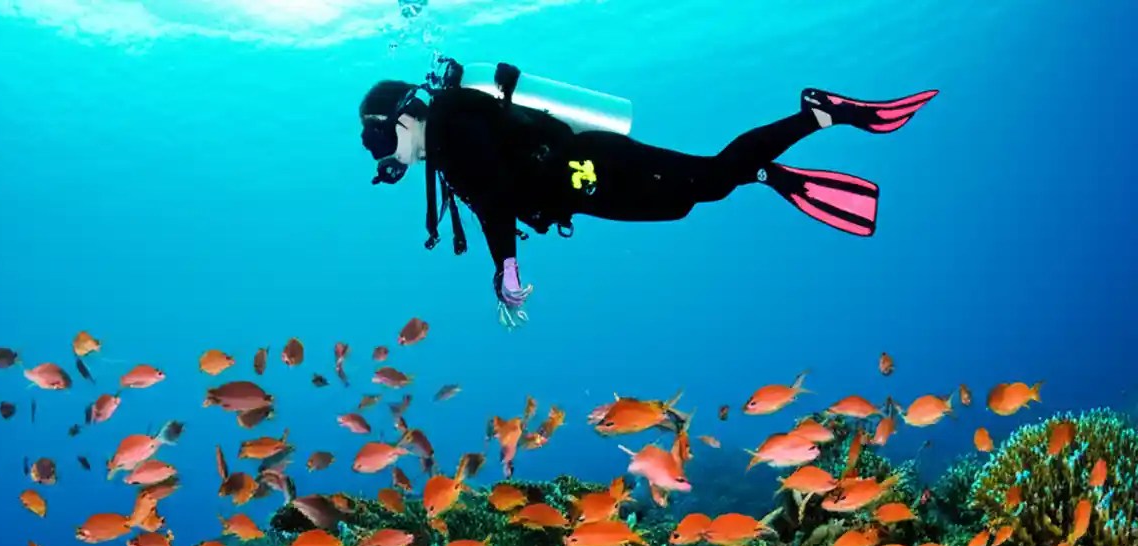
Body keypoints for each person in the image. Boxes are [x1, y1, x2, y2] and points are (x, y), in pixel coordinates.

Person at [359, 60, 936, 328]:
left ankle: (816, 118)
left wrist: (506, 265)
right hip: (586, 183)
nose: (381, 150)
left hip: (592, 166)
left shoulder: (454, 122)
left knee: (707, 181)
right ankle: (763, 172)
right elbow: (494, 190)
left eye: (380, 134)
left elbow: (493, 194)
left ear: (406, 114)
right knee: (692, 198)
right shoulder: (449, 139)